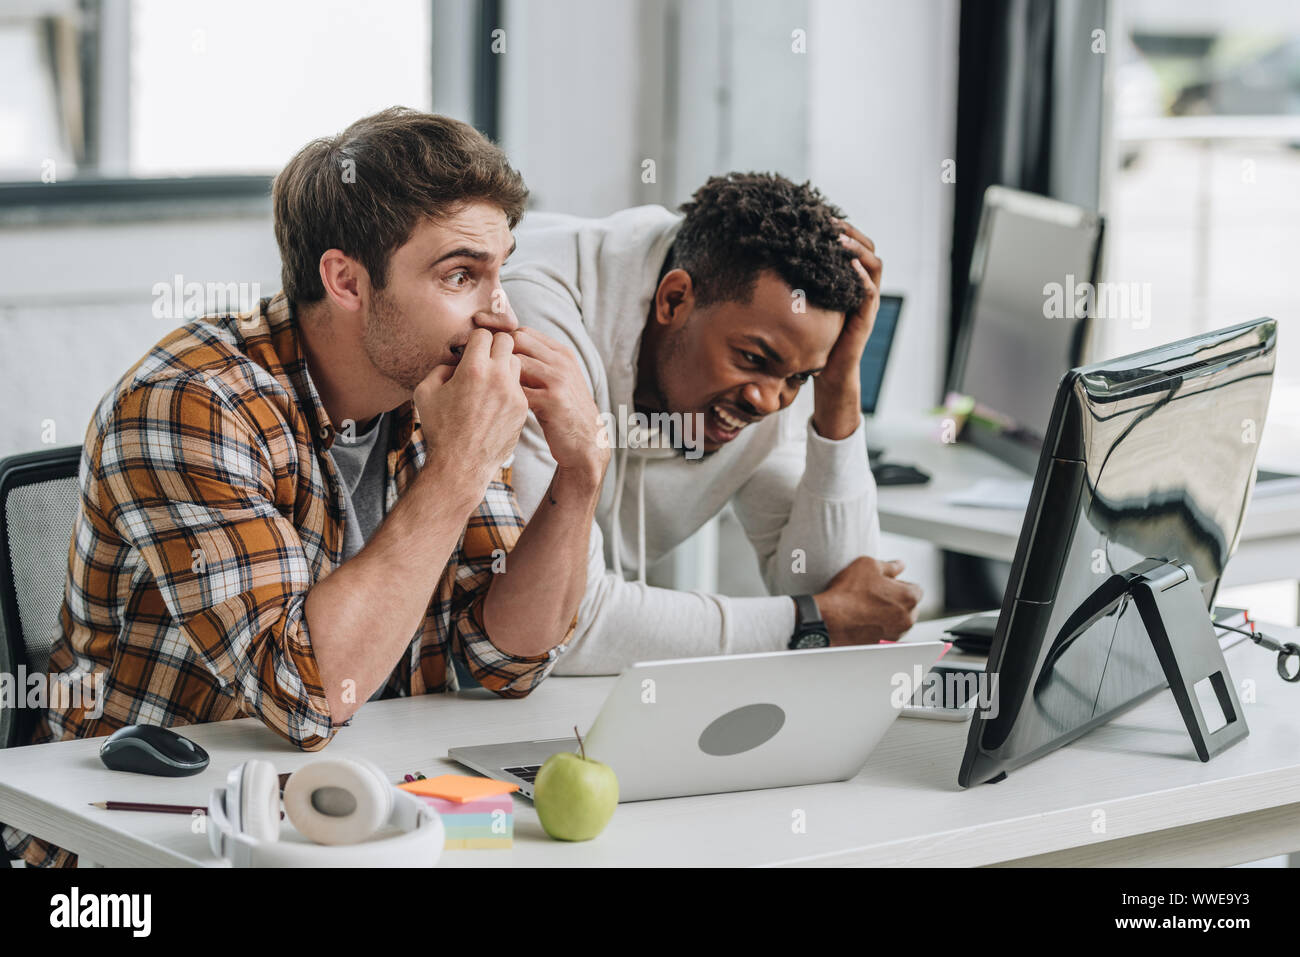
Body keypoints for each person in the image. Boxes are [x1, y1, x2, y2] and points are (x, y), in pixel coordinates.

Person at [2, 108, 607, 867]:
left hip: (341, 820)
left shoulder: (435, 389)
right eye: (461, 275)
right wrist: (457, 469)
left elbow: (501, 657)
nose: (501, 317)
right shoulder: (191, 402)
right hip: (134, 843)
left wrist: (580, 476)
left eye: (500, 272)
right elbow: (307, 695)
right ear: (346, 279)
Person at [503, 172, 922, 673]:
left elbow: (837, 593)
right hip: (429, 691)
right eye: (751, 358)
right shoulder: (531, 316)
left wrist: (837, 390)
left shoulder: (773, 369)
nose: (769, 402)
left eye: (800, 378)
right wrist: (812, 623)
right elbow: (558, 629)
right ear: (674, 300)